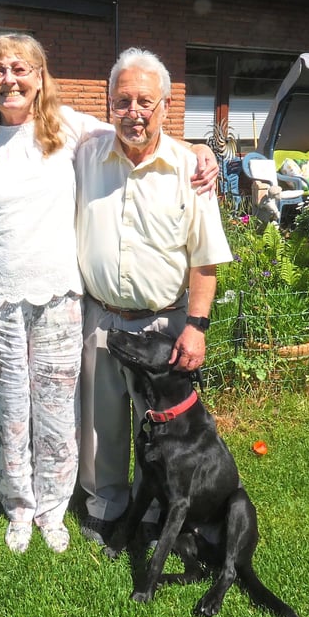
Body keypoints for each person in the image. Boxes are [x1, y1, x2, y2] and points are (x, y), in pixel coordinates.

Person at [0, 35, 217, 554]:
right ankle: (21, 508)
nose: (10, 80)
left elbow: (139, 132)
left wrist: (199, 149)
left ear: (41, 76)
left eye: (21, 69)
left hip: (60, 296)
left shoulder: (67, 129)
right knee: (8, 409)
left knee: (61, 410)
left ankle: (56, 508)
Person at [75, 47, 234, 546]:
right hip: (100, 318)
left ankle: (150, 513)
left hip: (164, 325)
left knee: (162, 428)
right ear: (108, 105)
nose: (133, 112)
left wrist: (197, 325)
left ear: (165, 105)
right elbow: (41, 111)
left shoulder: (190, 168)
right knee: (100, 424)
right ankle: (104, 505)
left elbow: (205, 257)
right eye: (122, 102)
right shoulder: (85, 155)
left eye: (145, 101)